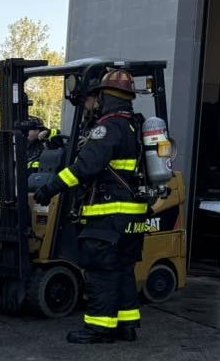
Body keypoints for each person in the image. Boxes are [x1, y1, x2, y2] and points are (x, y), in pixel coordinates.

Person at [33, 68, 148, 344]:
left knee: (100, 272)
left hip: (108, 215)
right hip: (131, 216)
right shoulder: (133, 124)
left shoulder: (107, 127)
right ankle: (126, 325)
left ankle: (99, 328)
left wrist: (49, 188)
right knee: (122, 270)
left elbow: (83, 168)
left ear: (102, 98)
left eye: (90, 99)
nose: (88, 105)